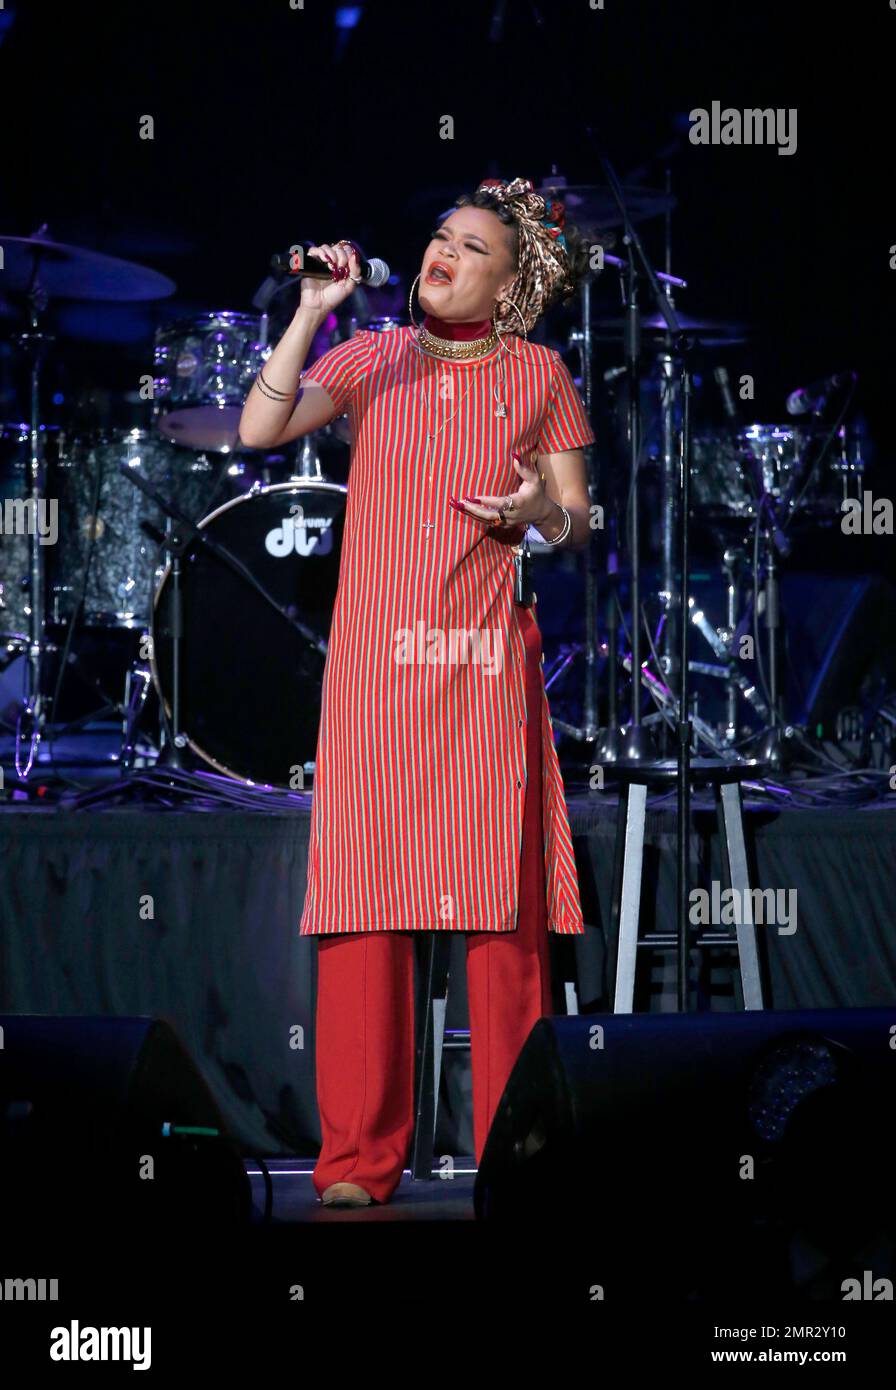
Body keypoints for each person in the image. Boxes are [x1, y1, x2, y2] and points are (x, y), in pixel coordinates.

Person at [239, 176, 595, 1207]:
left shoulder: (538, 374)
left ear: (512, 280)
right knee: (362, 909)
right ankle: (356, 1159)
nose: (442, 252)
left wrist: (539, 509)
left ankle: (514, 1158)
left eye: (471, 246)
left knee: (498, 921)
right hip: (374, 672)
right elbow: (263, 431)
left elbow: (577, 522)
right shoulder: (375, 357)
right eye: (439, 235)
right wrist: (309, 311)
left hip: (483, 668)